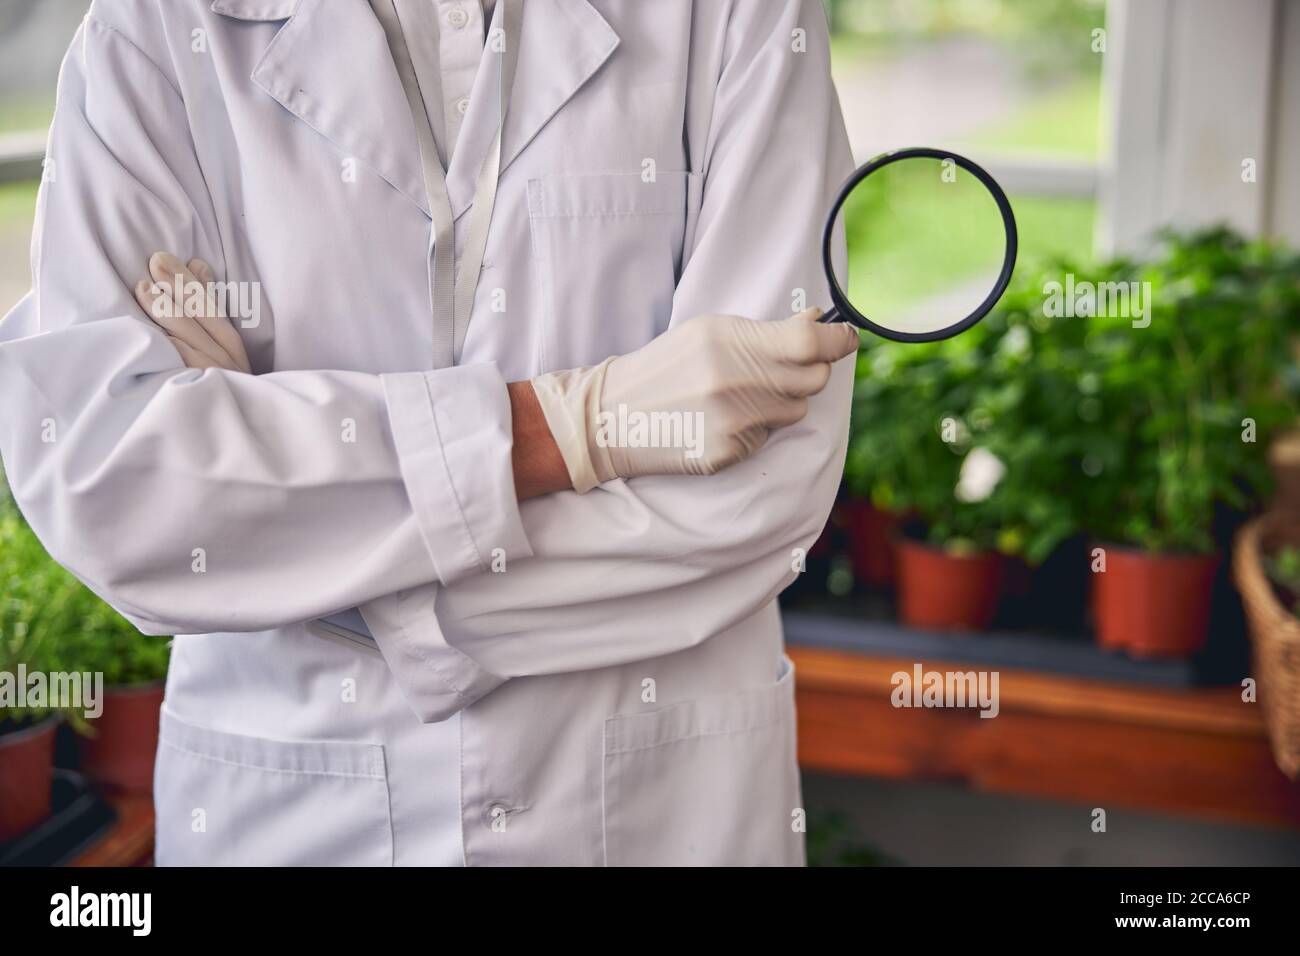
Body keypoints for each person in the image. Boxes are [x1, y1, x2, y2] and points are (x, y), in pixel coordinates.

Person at [0, 0, 857, 865]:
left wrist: (283, 526)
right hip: (294, 812)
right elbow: (117, 487)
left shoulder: (745, 16)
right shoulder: (149, 31)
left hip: (660, 808)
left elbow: (757, 499)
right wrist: (570, 427)